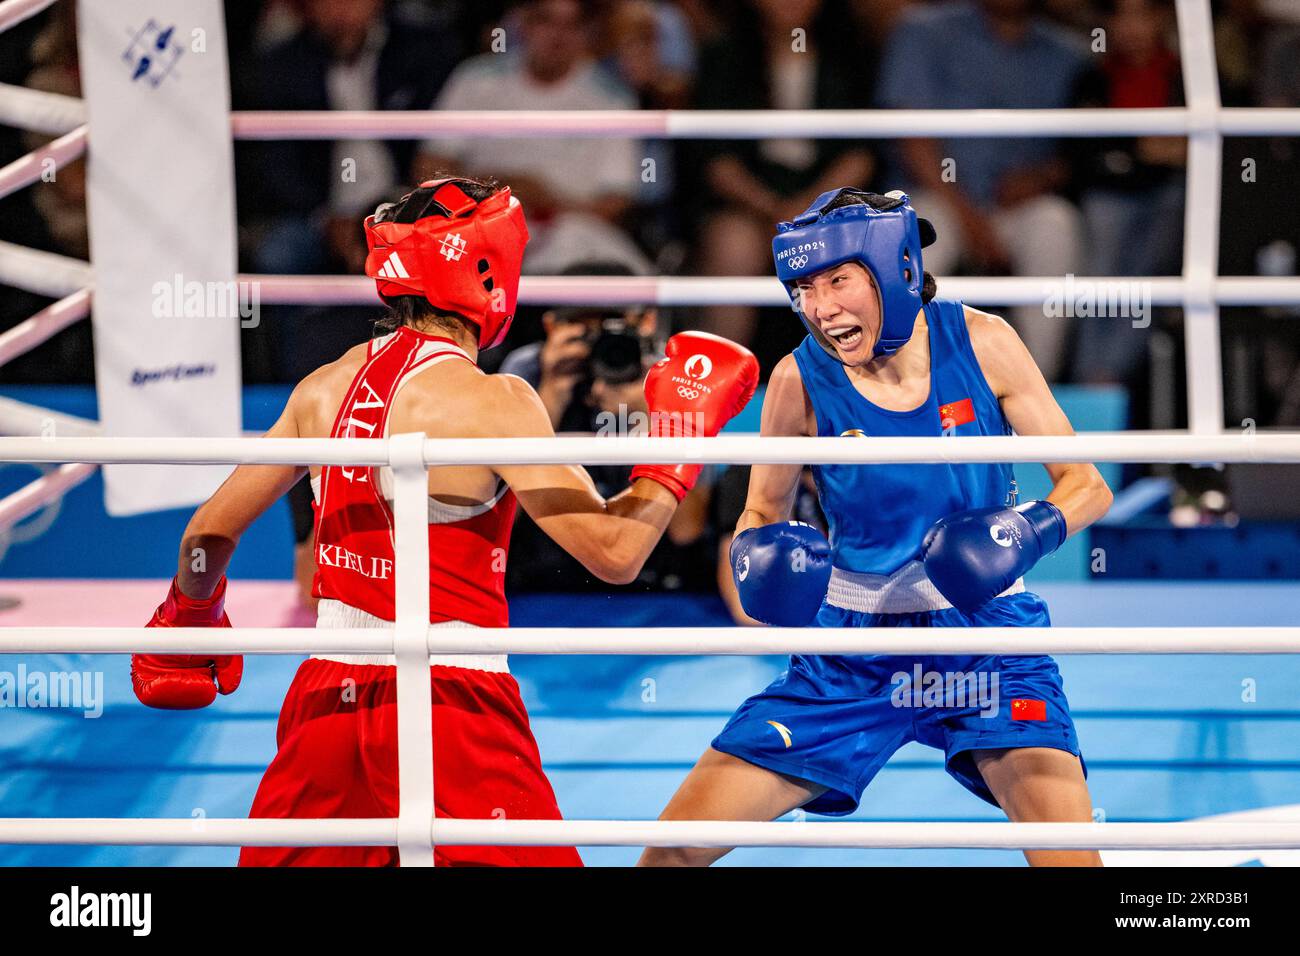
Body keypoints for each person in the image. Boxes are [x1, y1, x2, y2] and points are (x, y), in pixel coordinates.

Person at [131, 176, 758, 866]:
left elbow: (206, 535)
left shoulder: (324, 386)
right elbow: (615, 552)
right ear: (486, 270)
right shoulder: (496, 401)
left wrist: (189, 616)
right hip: (454, 700)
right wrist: (678, 440)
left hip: (328, 703)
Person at [639, 188, 1113, 867]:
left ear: (896, 270)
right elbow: (762, 511)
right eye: (804, 286)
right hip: (852, 654)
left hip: (985, 644)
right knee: (673, 853)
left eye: (837, 280)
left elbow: (1086, 486)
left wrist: (1021, 534)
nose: (821, 306)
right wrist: (760, 561)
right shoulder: (797, 379)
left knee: (1069, 859)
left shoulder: (984, 343)